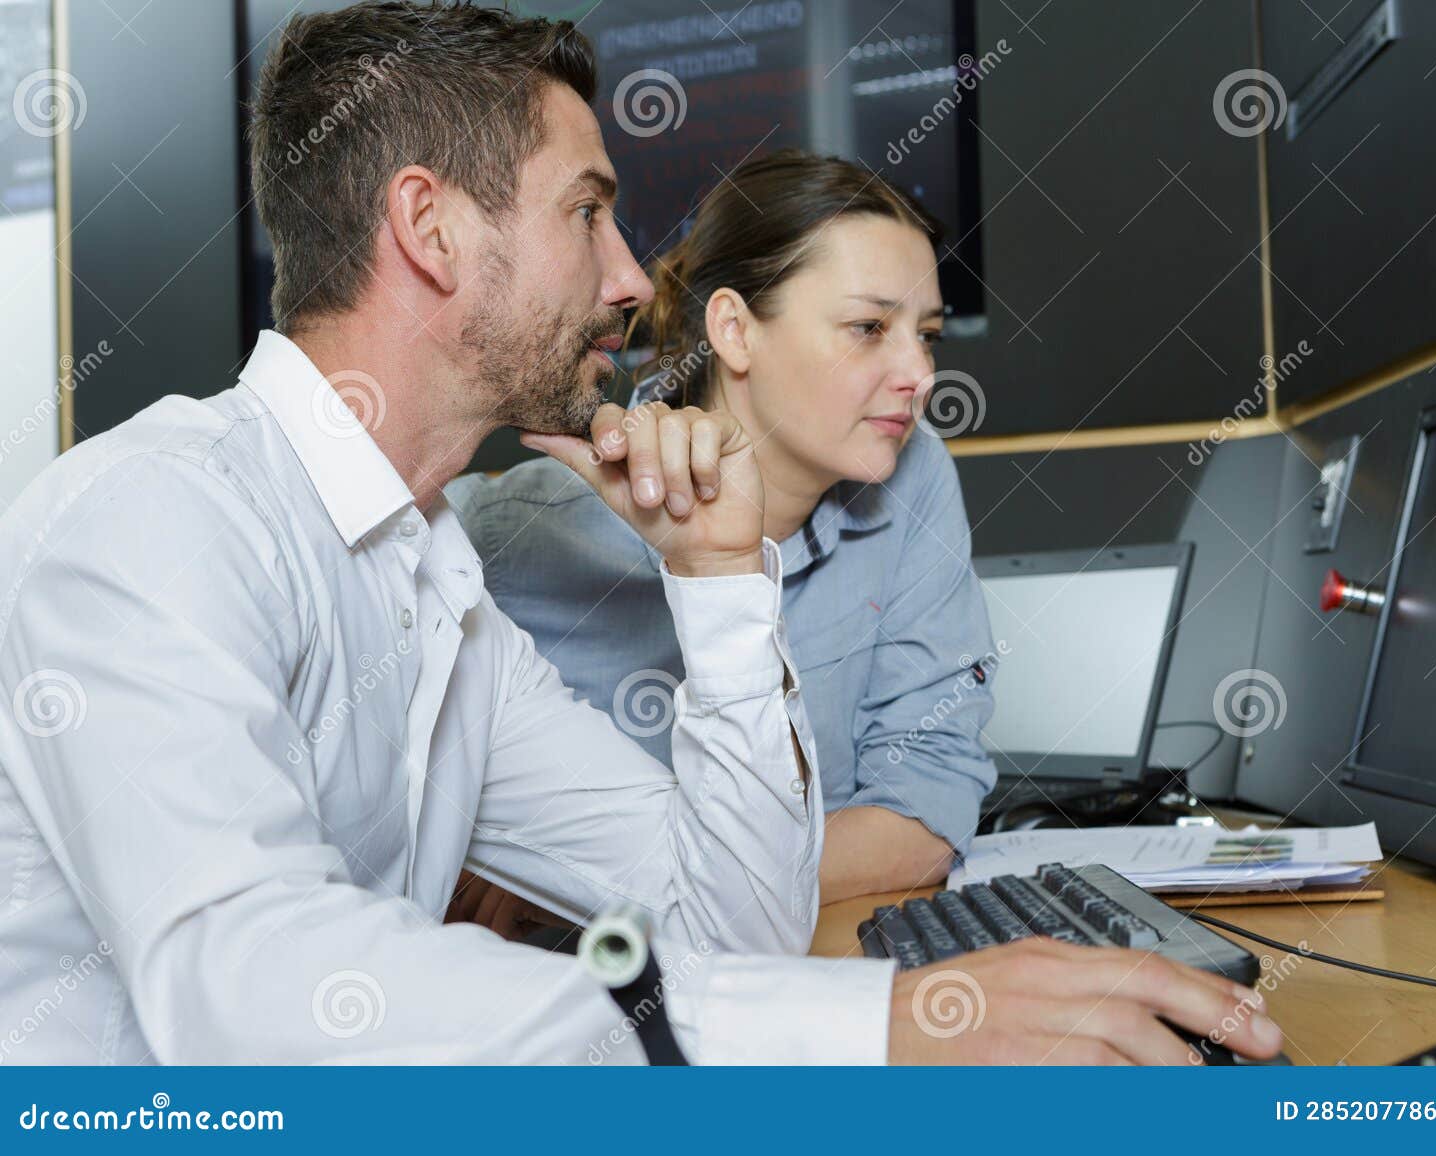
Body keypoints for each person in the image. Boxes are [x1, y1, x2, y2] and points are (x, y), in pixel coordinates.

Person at [0, 3, 1282, 1066]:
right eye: (586, 212)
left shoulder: (436, 584)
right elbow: (255, 1005)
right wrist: (885, 1022)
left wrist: (722, 579)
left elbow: (730, 920)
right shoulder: (153, 517)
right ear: (429, 227)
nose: (629, 276)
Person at [447, 151, 995, 923]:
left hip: (805, 980)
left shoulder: (911, 476)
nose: (919, 372)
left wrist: (598, 888)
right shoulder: (511, 532)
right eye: (869, 328)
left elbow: (927, 810)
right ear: (734, 332)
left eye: (926, 333)